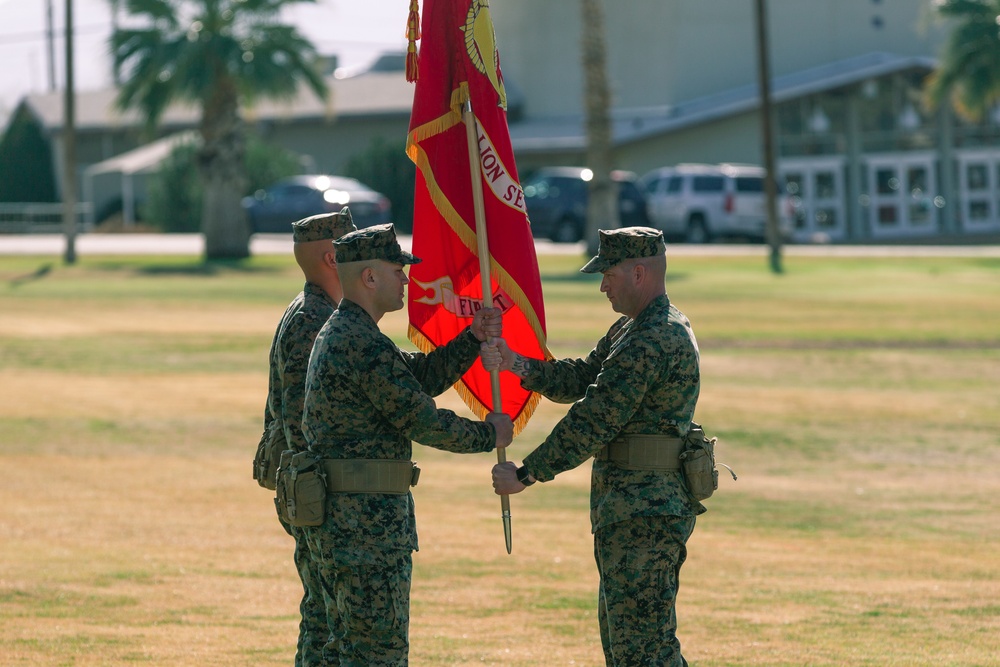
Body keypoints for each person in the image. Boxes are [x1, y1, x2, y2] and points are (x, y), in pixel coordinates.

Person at [488, 226, 704, 667]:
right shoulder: (632, 329)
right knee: (627, 644)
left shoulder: (653, 337)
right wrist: (516, 363)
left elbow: (596, 417)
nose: (603, 284)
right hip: (630, 508)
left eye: (609, 273)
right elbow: (581, 378)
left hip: (647, 511)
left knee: (644, 650)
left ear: (639, 272)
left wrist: (528, 473)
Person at [301, 223, 514, 666]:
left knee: (347, 650)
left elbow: (417, 379)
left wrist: (472, 338)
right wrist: (489, 434)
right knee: (376, 654)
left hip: (349, 523)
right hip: (363, 529)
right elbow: (420, 418)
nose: (406, 279)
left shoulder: (353, 334)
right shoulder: (358, 342)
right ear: (369, 278)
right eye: (397, 270)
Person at [258, 207, 356, 666]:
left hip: (311, 487)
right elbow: (305, 423)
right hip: (319, 490)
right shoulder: (313, 322)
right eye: (354, 247)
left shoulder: (314, 311)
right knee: (330, 617)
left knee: (322, 613)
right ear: (333, 258)